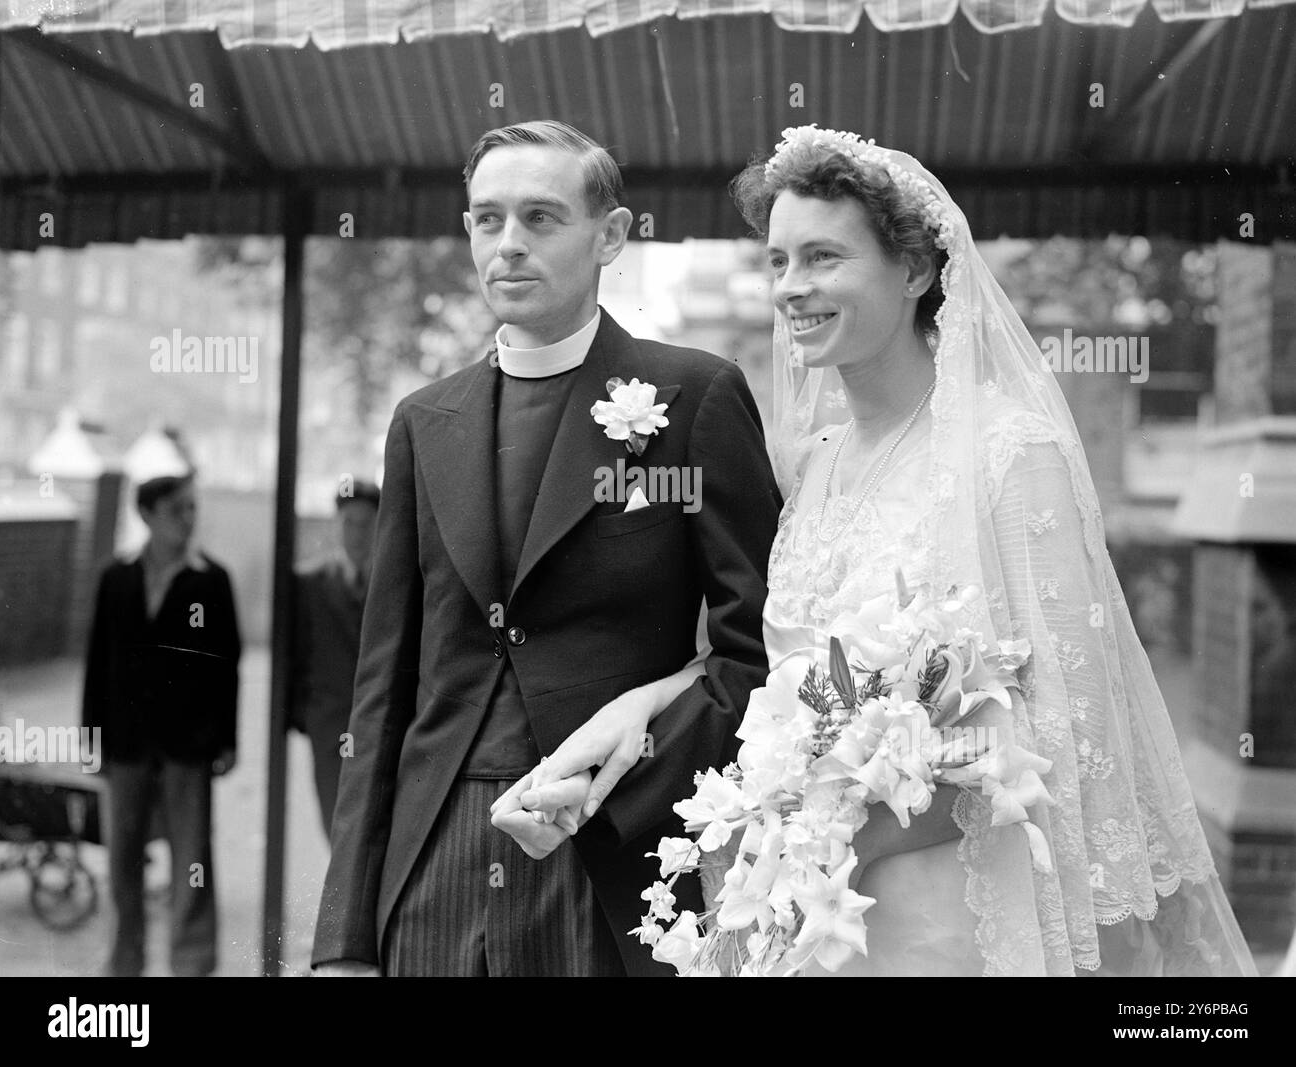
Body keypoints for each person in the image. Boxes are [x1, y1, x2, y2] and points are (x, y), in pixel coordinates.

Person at [528, 125, 1256, 976]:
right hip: (811, 912)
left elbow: (1062, 735)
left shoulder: (1010, 457)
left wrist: (848, 841)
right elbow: (783, 680)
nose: (792, 288)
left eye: (824, 258)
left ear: (914, 270)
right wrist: (652, 707)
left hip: (949, 917)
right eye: (778, 262)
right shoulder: (816, 466)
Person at [310, 120, 782, 977]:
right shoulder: (423, 423)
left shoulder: (696, 399)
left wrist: (626, 769)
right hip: (432, 862)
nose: (509, 244)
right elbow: (381, 691)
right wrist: (343, 938)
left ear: (610, 235)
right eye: (487, 219)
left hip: (613, 860)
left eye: (540, 217)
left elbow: (759, 657)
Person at [82, 471, 241, 977]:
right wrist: (91, 741)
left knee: (191, 860)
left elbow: (225, 666)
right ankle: (124, 964)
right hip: (125, 746)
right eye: (178, 510)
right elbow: (97, 665)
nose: (188, 519)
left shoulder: (210, 579)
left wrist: (226, 740)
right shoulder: (117, 576)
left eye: (193, 508)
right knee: (123, 859)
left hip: (187, 746)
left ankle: (192, 965)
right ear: (147, 515)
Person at [289, 479, 380, 838]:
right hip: (328, 725)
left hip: (380, 725)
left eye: (366, 523)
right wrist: (305, 715)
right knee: (334, 820)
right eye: (349, 522)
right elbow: (298, 653)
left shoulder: (397, 584)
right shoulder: (308, 582)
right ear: (336, 523)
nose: (357, 533)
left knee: (373, 825)